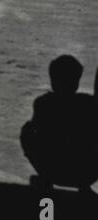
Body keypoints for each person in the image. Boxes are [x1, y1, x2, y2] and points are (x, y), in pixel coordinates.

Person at [21, 55, 98, 191]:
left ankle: (45, 179)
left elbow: (33, 132)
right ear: (77, 81)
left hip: (51, 169)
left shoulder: (42, 103)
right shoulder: (88, 104)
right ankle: (83, 185)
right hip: (84, 173)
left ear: (53, 79)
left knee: (27, 131)